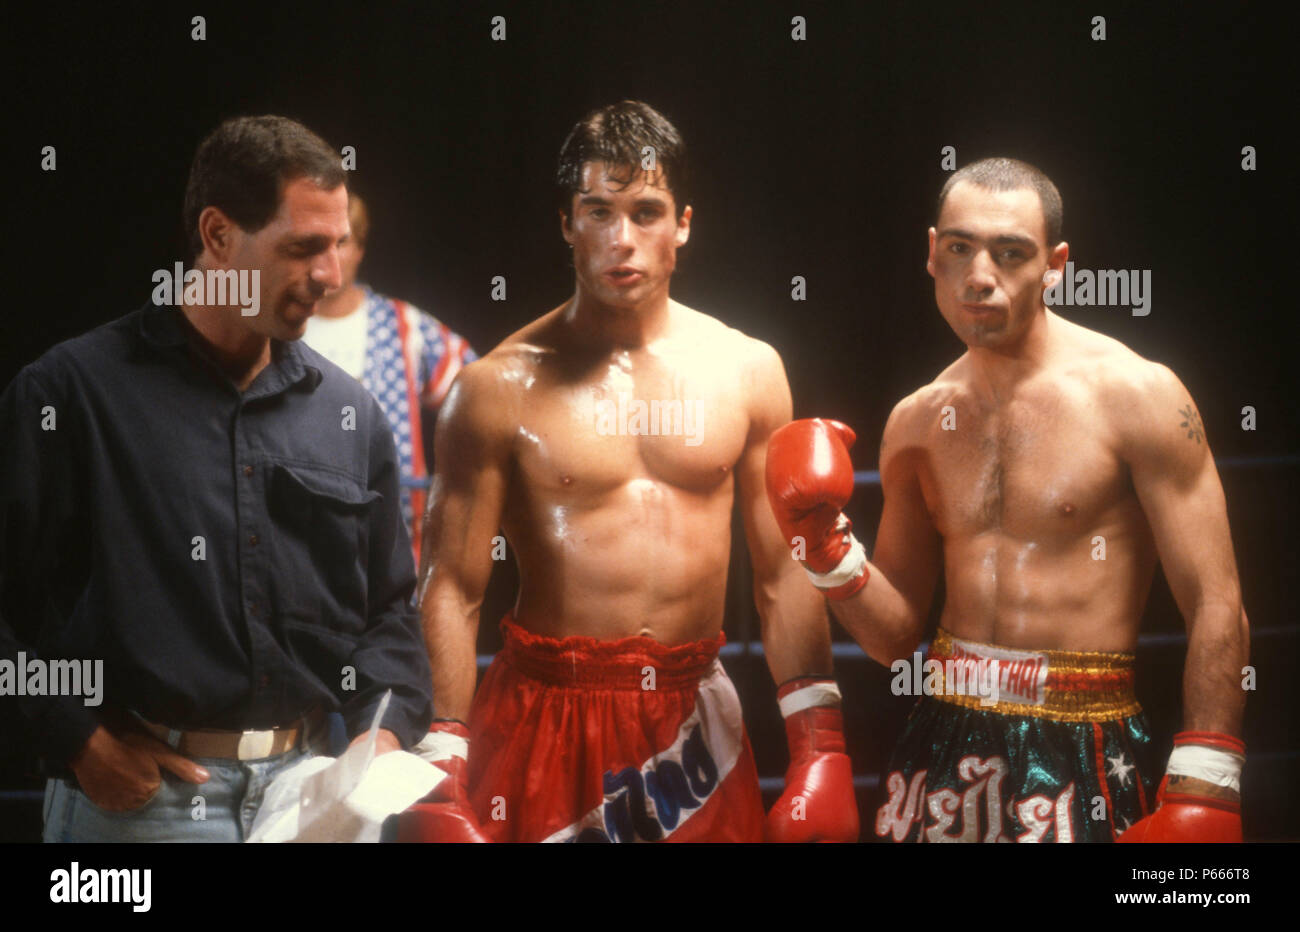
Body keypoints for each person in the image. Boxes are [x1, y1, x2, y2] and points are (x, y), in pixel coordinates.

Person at [399, 101, 858, 842]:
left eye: (646, 212)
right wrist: (439, 765)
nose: (623, 240)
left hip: (691, 717)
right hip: (545, 712)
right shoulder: (495, 388)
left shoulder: (748, 371)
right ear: (566, 222)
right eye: (598, 211)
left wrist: (819, 742)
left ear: (683, 223)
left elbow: (783, 572)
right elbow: (451, 586)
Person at [764, 158, 1249, 843]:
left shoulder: (1138, 396)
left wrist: (1209, 785)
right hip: (941, 744)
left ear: (1055, 265)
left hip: (1084, 741)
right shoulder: (917, 422)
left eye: (1010, 253)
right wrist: (825, 550)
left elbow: (1216, 599)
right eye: (960, 248)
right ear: (932, 254)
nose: (980, 275)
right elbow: (896, 637)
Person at [0, 115, 433, 842]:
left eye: (337, 246)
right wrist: (79, 741)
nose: (330, 277)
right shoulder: (68, 396)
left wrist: (379, 738)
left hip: (310, 800)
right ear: (218, 234)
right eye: (303, 248)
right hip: (137, 809)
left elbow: (389, 611)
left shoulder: (351, 413)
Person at [303, 192, 477, 562]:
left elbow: (482, 398)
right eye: (315, 244)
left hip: (393, 549)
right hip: (299, 544)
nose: (330, 257)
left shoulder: (405, 327)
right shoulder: (277, 332)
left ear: (361, 249)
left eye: (343, 242)